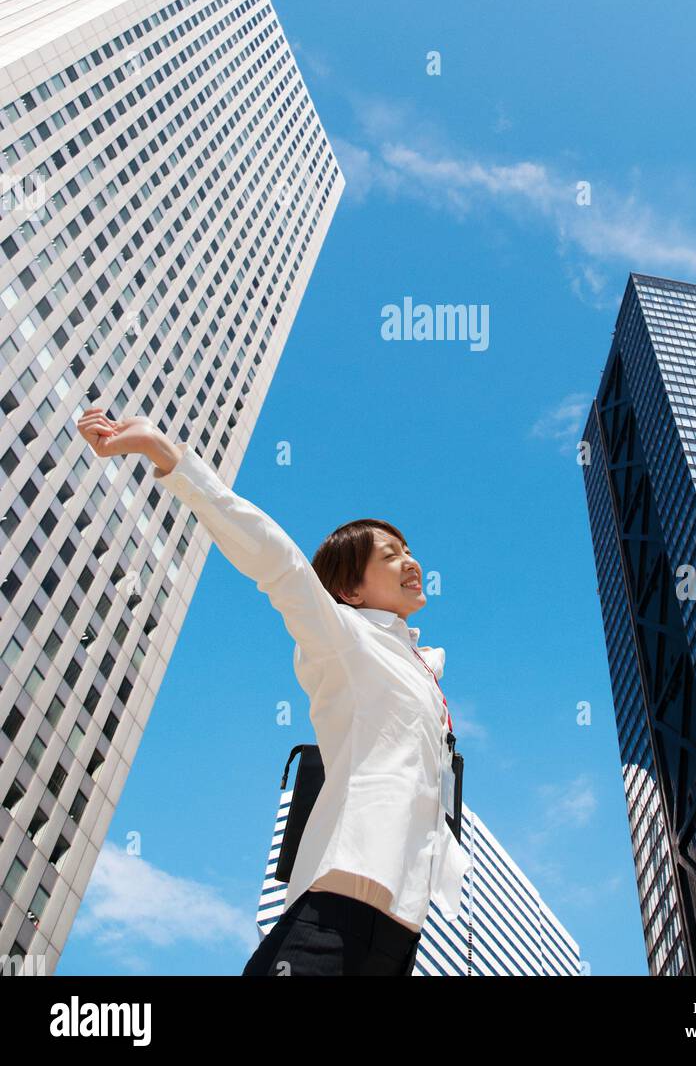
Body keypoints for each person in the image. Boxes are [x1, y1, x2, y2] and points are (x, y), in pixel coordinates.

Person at [76, 408, 470, 977]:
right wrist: (170, 458)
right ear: (347, 590)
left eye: (408, 551)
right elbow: (279, 563)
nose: (411, 562)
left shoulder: (423, 673)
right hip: (338, 905)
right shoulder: (346, 638)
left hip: (404, 927)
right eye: (388, 556)